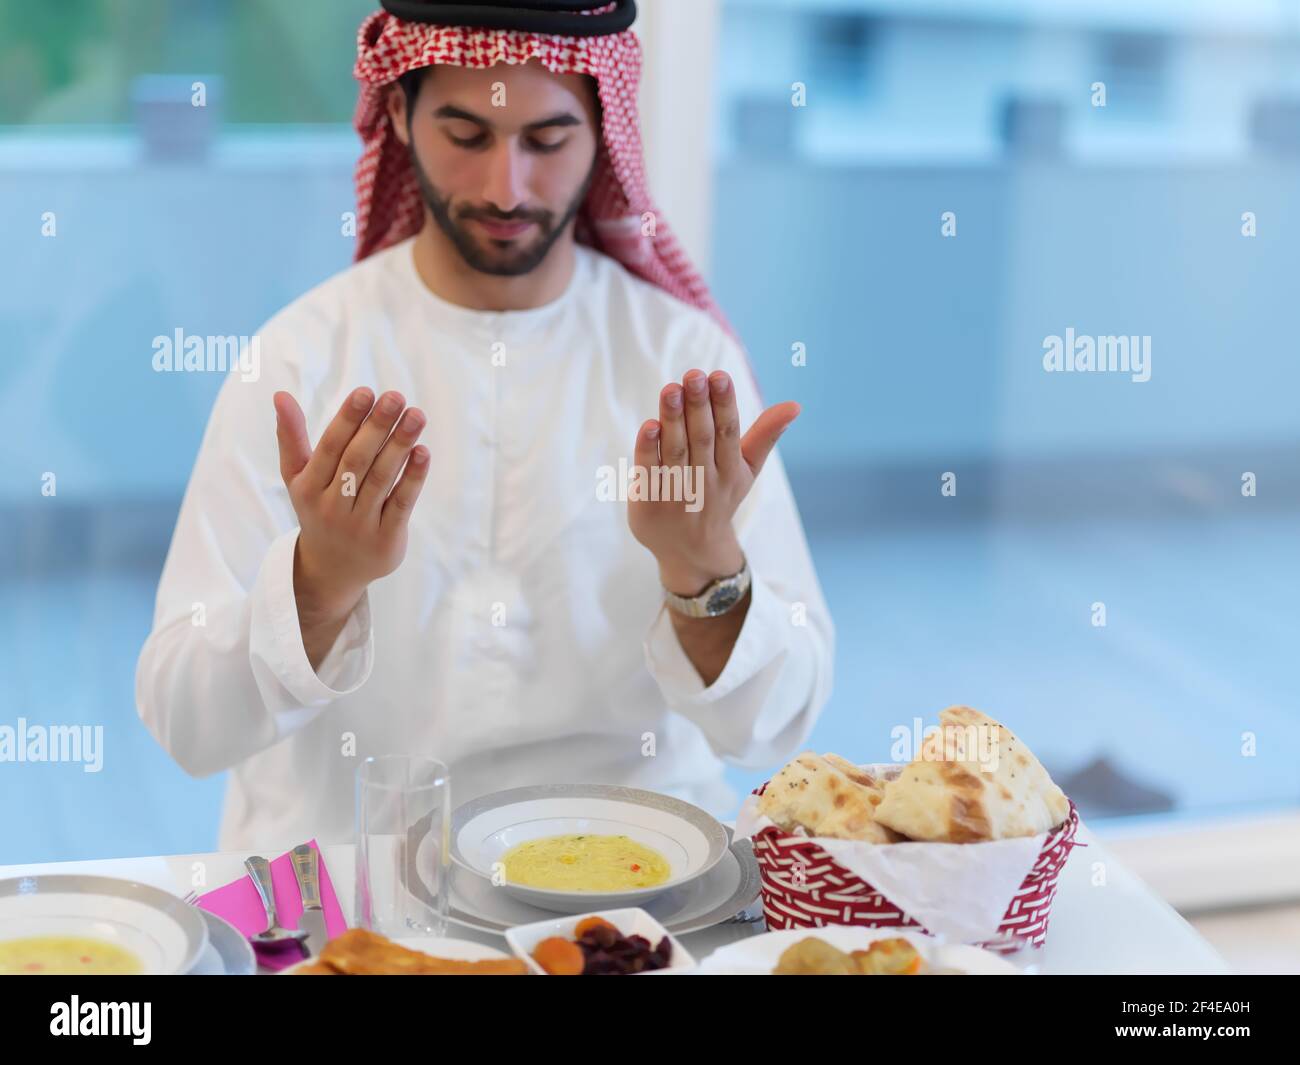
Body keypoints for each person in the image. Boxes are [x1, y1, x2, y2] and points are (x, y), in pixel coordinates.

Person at [135, 0, 834, 853]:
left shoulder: (682, 360)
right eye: (467, 137)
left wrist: (703, 575)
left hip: (634, 888)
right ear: (397, 112)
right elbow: (185, 723)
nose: (507, 186)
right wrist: (317, 585)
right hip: (359, 896)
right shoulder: (300, 362)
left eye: (546, 141)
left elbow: (775, 730)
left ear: (605, 125)